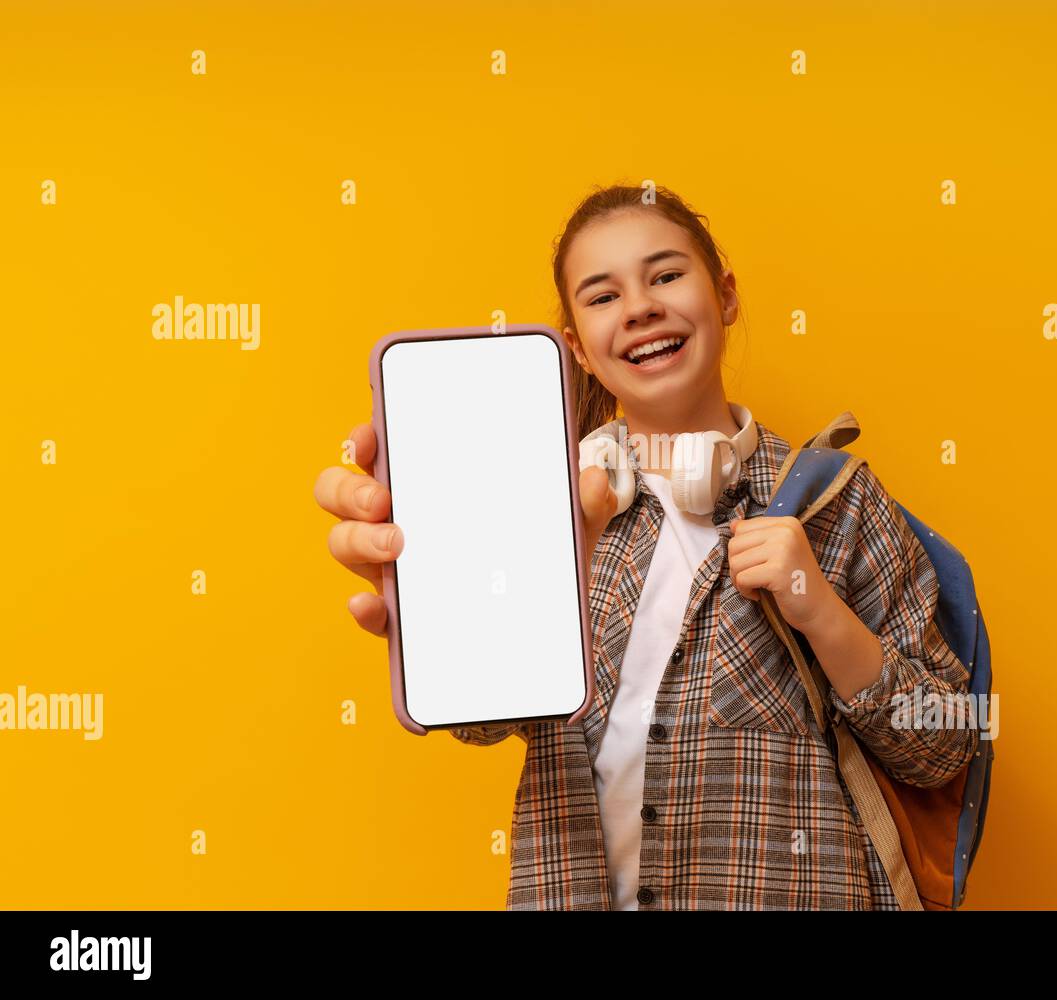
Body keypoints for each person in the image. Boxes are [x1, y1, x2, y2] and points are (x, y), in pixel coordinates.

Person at [313, 184, 977, 909]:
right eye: (601, 297)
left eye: (665, 275)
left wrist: (817, 608)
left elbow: (941, 747)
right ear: (577, 350)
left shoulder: (837, 501)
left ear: (724, 296)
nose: (638, 308)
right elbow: (479, 724)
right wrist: (464, 597)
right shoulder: (541, 508)